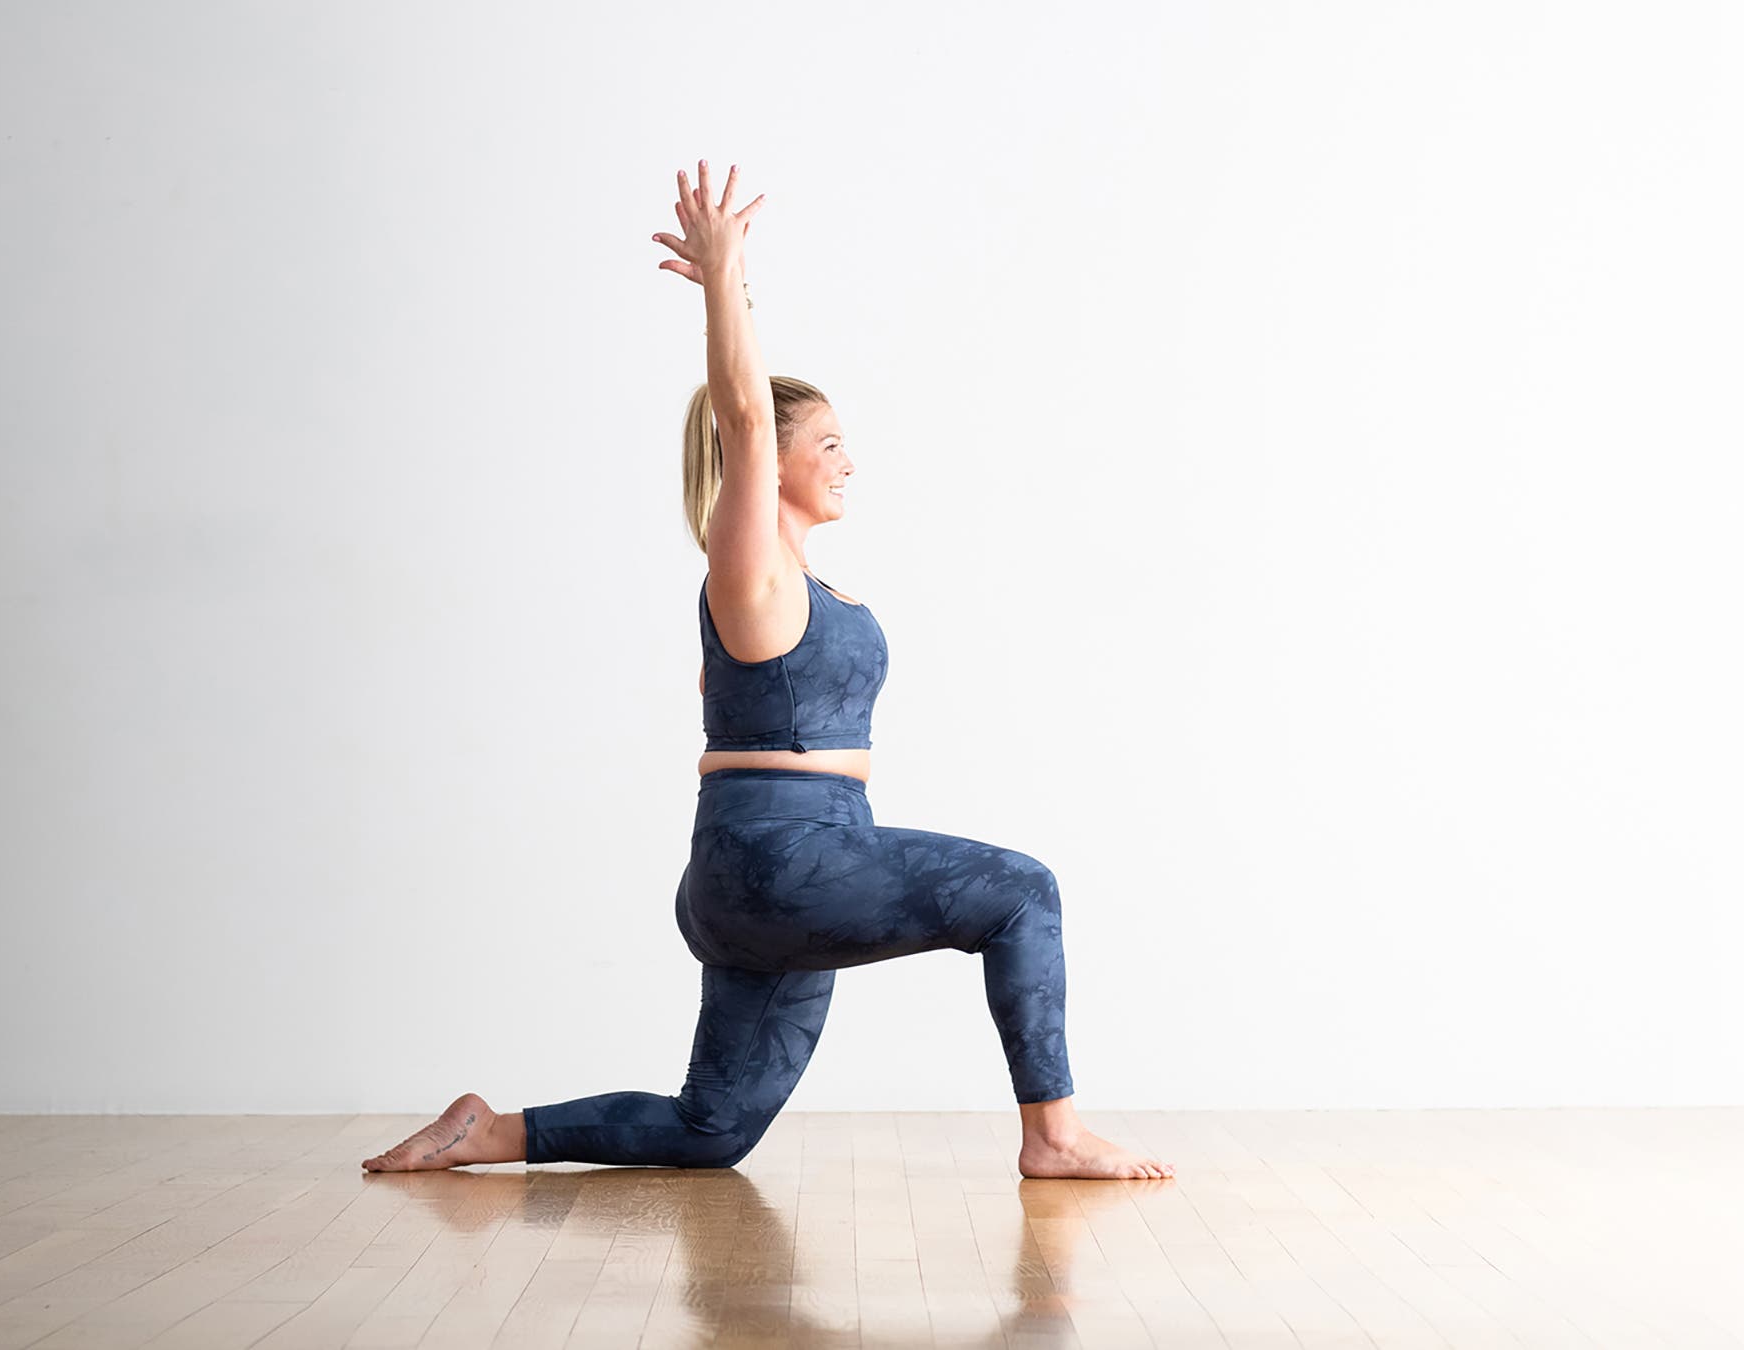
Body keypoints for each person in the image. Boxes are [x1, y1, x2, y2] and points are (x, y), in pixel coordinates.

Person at [362, 161, 1173, 1180]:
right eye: (826, 442)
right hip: (781, 865)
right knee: (1022, 892)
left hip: (780, 873)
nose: (846, 459)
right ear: (770, 463)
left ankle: (490, 1131)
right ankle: (1053, 1137)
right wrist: (725, 282)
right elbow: (742, 413)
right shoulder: (745, 571)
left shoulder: (795, 586)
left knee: (714, 1131)